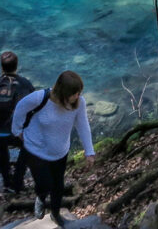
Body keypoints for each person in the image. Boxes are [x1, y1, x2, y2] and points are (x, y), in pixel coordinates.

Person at [12, 71, 96, 222]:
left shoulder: (79, 103)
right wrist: (17, 131)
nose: (78, 96)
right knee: (45, 184)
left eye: (79, 92)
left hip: (60, 152)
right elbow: (20, 108)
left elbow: (83, 126)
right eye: (75, 93)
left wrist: (89, 152)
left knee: (58, 186)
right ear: (63, 92)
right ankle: (40, 197)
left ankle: (55, 214)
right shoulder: (40, 98)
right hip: (35, 149)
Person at [0, 51, 36, 192]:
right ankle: (18, 181)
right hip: (16, 133)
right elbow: (33, 107)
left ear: (2, 68)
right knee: (27, 148)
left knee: (2, 150)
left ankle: (7, 181)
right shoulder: (25, 84)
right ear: (17, 66)